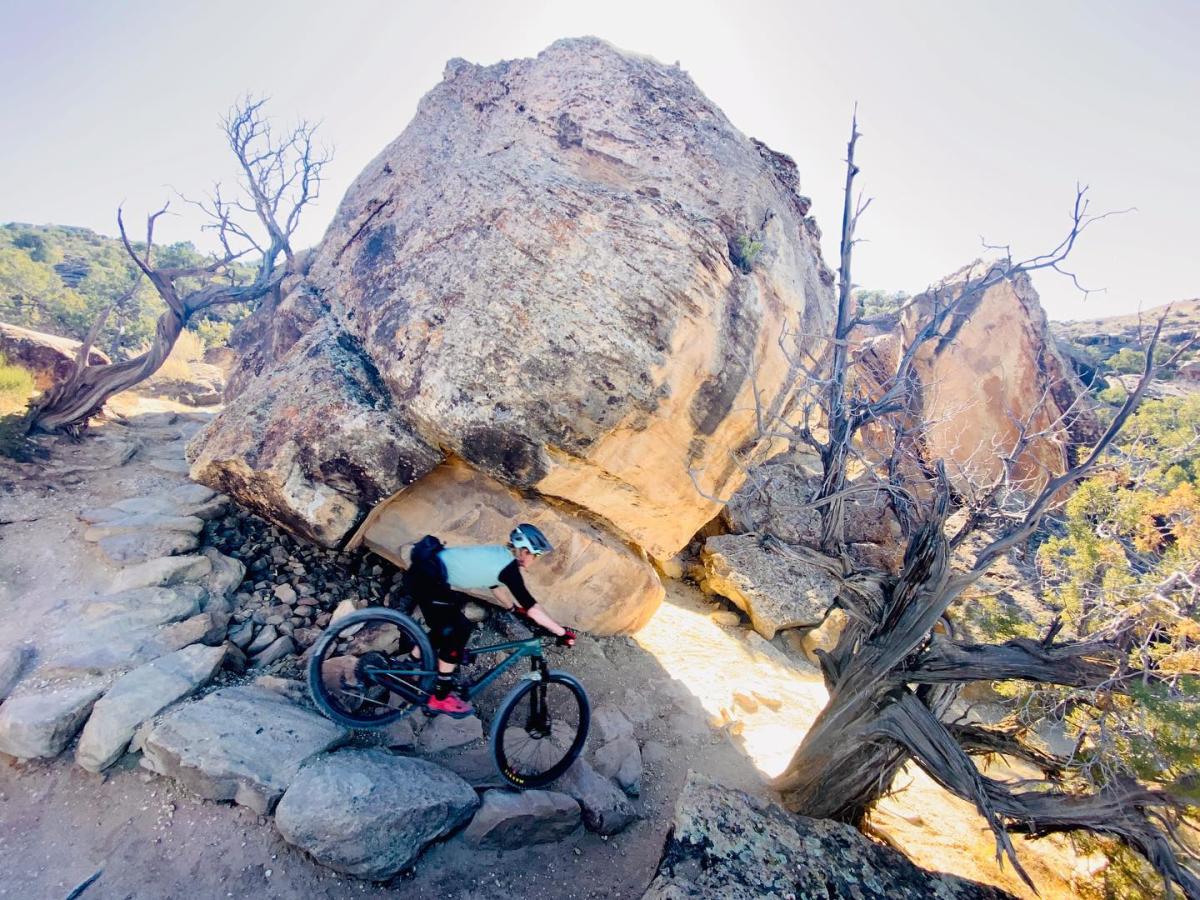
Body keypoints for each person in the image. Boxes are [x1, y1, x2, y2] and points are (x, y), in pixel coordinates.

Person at [406, 523, 576, 718]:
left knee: (445, 626)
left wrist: (512, 609)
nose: (534, 559)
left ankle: (412, 663)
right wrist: (562, 633)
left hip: (424, 576)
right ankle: (440, 697)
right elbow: (534, 609)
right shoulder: (509, 568)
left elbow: (495, 587)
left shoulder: (500, 554)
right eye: (534, 554)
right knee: (459, 628)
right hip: (428, 580)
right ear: (523, 550)